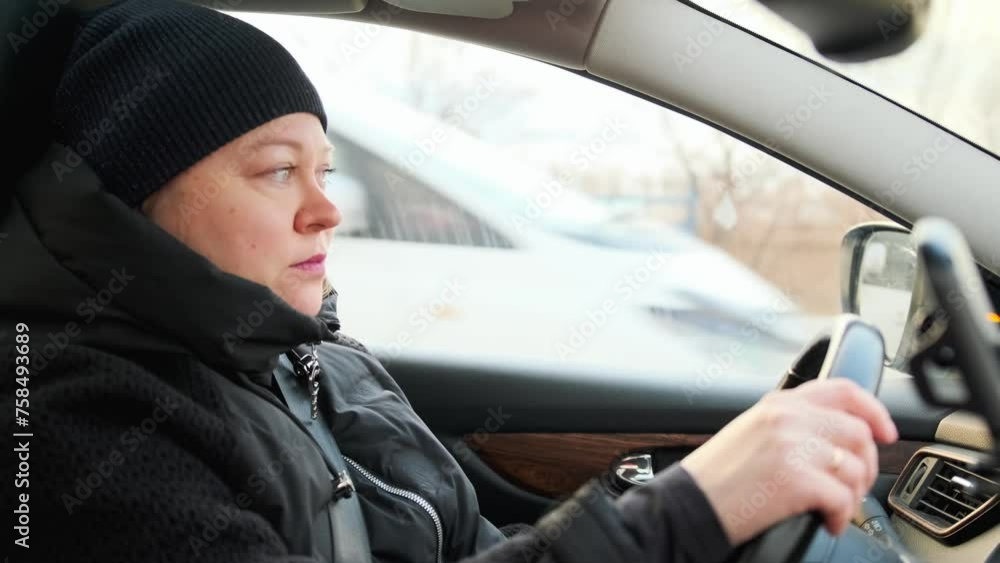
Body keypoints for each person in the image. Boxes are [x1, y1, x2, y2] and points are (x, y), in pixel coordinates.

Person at [0, 1, 898, 562]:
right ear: (138, 196)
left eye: (325, 169)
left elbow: (472, 542)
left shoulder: (313, 358)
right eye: (278, 171)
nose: (328, 209)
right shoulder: (75, 416)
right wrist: (680, 516)